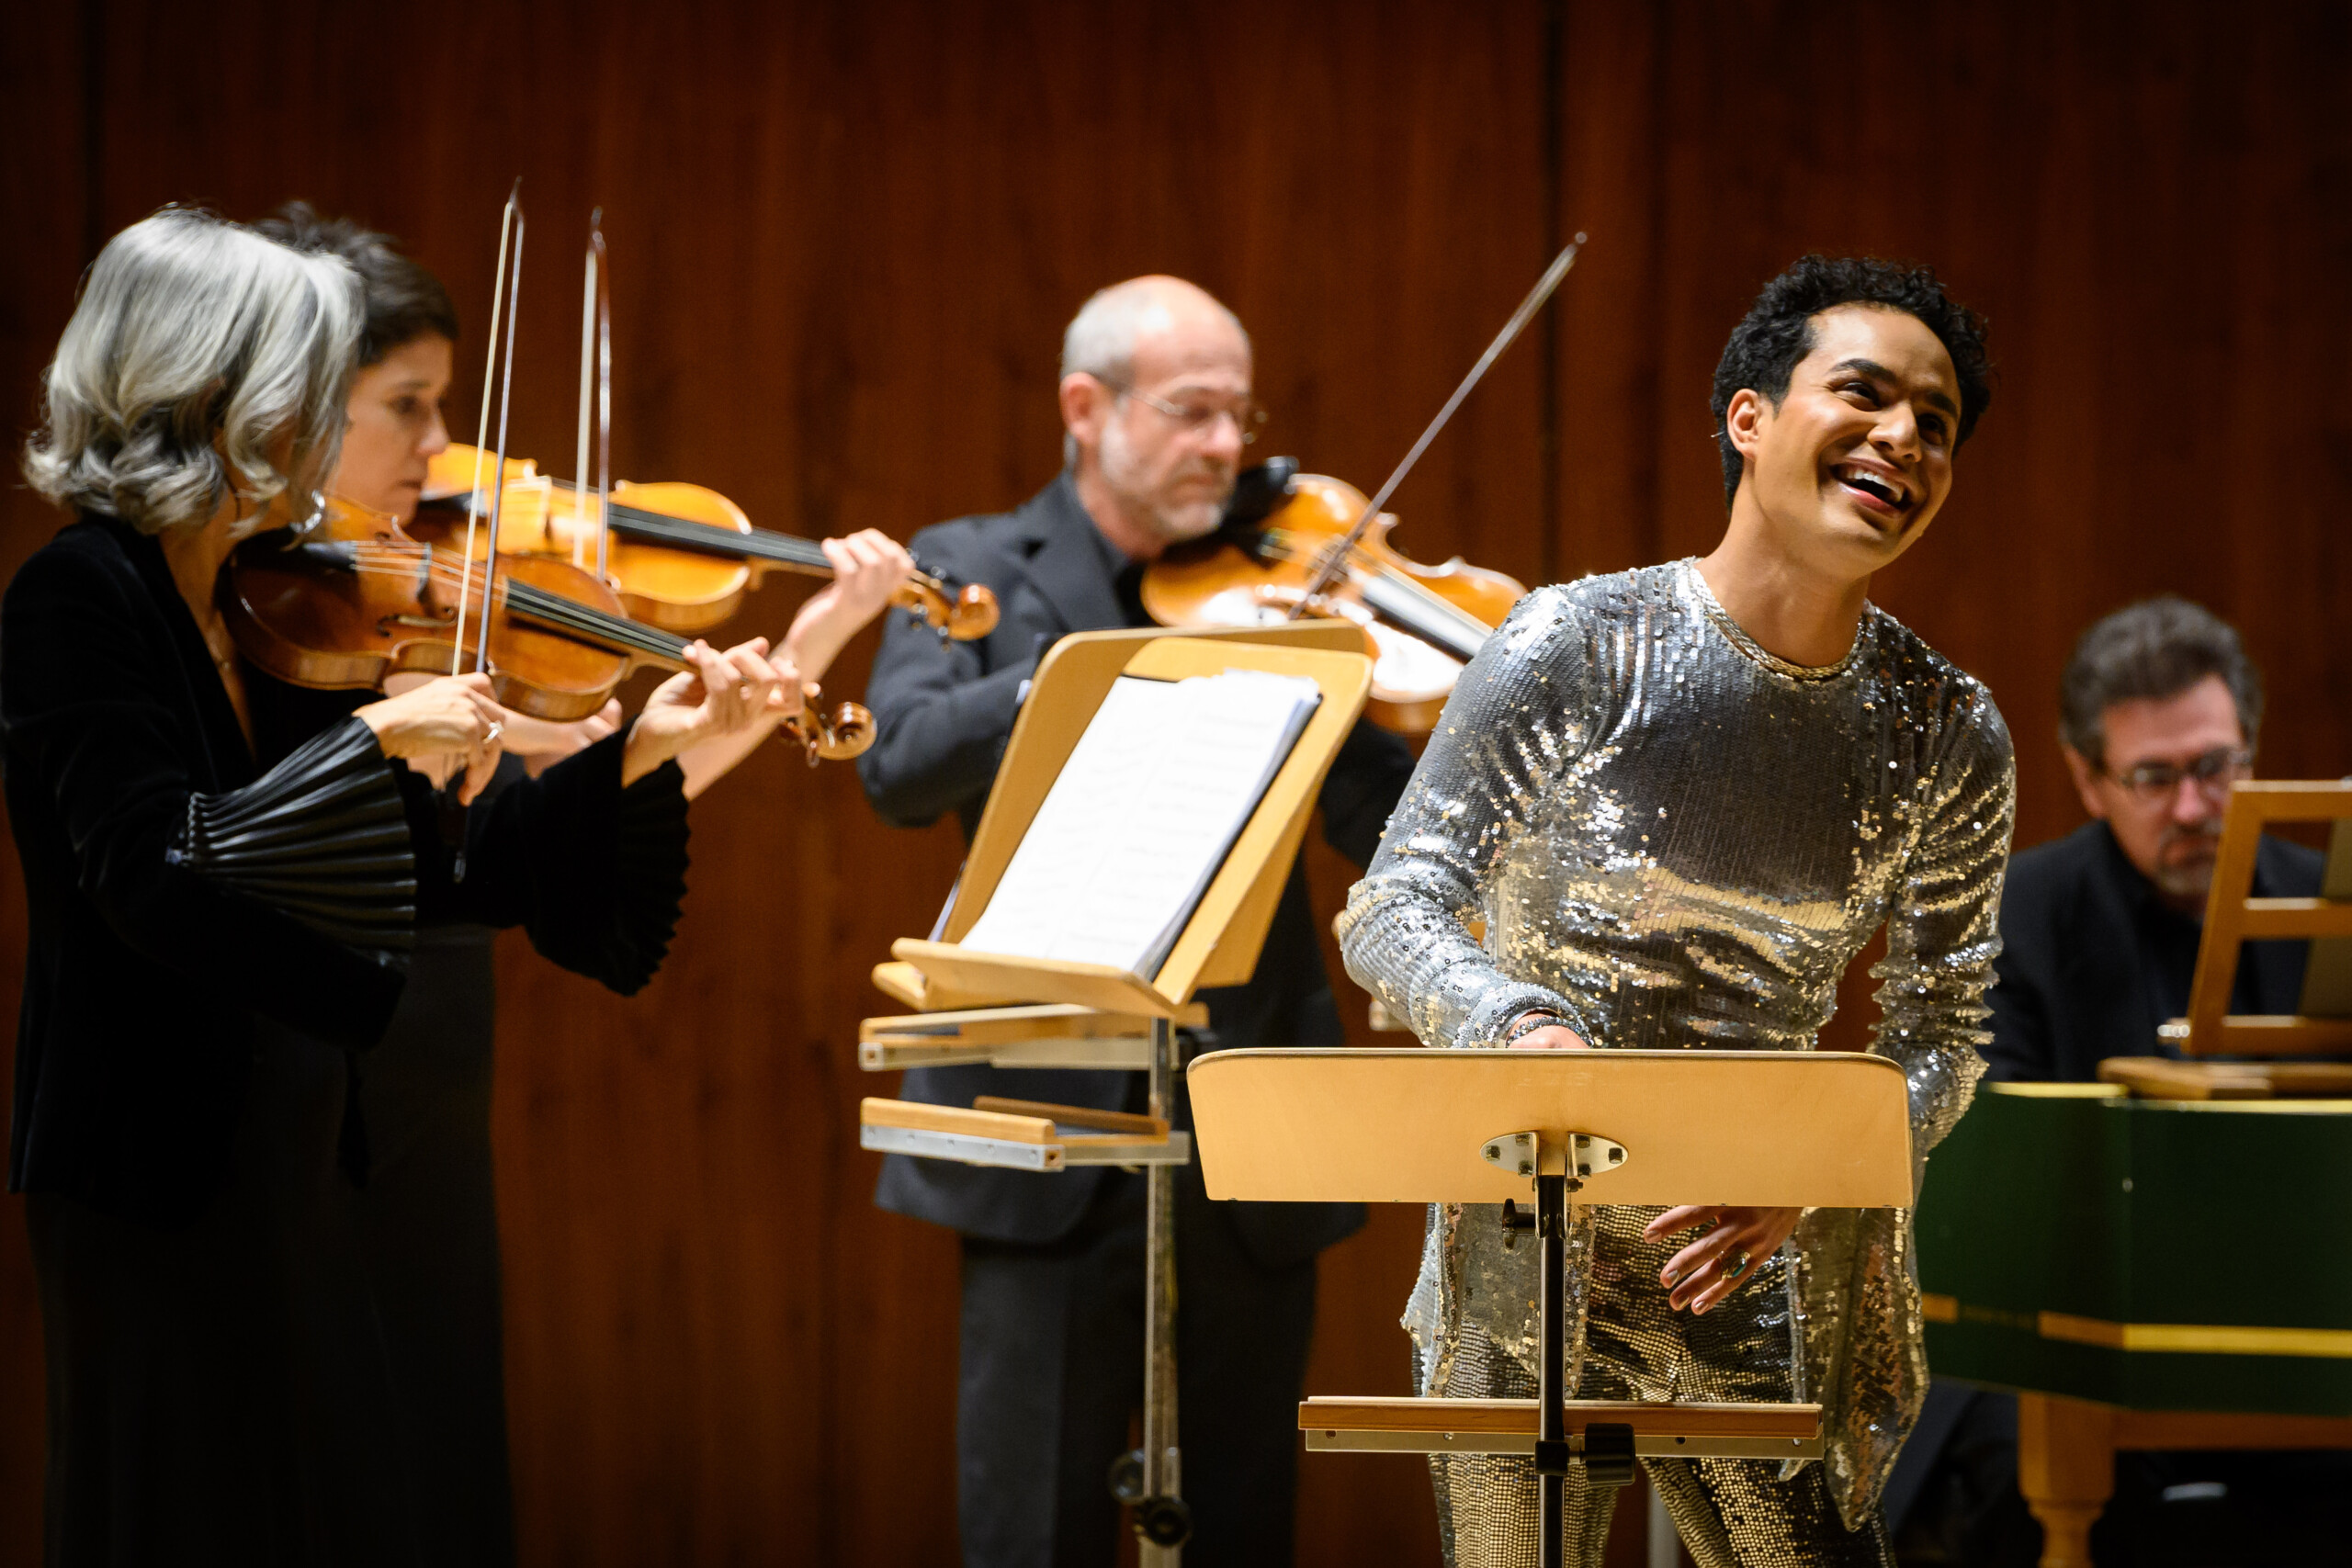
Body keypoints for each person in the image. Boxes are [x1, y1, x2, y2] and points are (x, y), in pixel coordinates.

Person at [4, 208, 790, 1566]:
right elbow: (151, 869)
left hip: (313, 1148)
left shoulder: (276, 599)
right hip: (157, 1156)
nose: (350, 434)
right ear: (217, 394)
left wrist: (645, 751)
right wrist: (378, 739)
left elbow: (455, 877)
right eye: (316, 385)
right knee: (190, 1509)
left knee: (340, 1508)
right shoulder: (80, 595)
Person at [244, 204, 919, 1566]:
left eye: (443, 404)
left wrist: (677, 725)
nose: (446, 458)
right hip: (283, 1078)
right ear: (288, 405)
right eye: (408, 407)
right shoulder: (255, 611)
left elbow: (523, 847)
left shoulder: (403, 601)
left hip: (426, 1067)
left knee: (429, 1453)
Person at [1337, 254, 2013, 1567]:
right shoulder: (1573, 642)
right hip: (1527, 1242)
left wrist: (1817, 1170)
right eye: (1865, 394)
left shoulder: (1946, 727)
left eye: (1936, 425)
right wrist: (1521, 1028)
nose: (1905, 439)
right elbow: (1396, 906)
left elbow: (1944, 1028)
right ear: (1749, 418)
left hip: (1757, 1249)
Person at [856, 275, 1418, 1566]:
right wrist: (1080, 674)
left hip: (1246, 1124)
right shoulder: (973, 566)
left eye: (1240, 413)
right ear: (1085, 407)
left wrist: (1365, 674)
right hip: (1043, 1119)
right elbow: (896, 767)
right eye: (1192, 412)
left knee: (1241, 1525)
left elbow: (1382, 827)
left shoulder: (1280, 595)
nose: (1229, 446)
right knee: (1030, 1527)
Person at [1884, 598, 2346, 1568]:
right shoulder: (2015, 912)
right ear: (2088, 780)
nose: (2192, 807)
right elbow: (1988, 1161)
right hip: (2055, 1335)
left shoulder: (2326, 906)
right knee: (2019, 1472)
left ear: (2250, 755)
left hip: (2283, 1334)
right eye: (2153, 777)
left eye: (2215, 768)